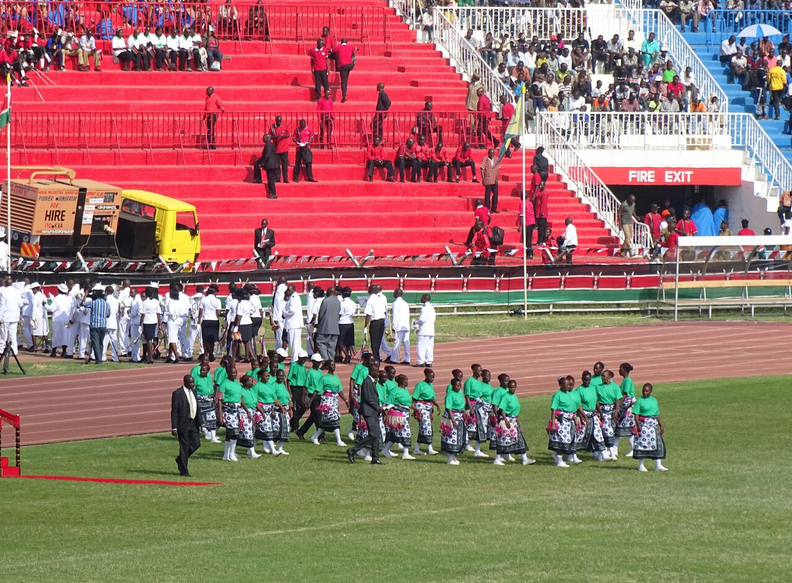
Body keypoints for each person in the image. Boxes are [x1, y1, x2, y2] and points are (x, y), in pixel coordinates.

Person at [347, 362, 383, 464]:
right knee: (373, 434)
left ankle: (375, 458)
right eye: (376, 371)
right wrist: (378, 407)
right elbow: (367, 398)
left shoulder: (372, 381)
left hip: (373, 411)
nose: (378, 373)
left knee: (376, 435)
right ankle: (353, 450)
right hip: (368, 412)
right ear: (372, 371)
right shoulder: (367, 381)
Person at [493, 380, 535, 466]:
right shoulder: (506, 396)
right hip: (507, 421)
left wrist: (518, 424)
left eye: (514, 387)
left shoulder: (514, 396)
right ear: (508, 387)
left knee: (520, 440)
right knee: (504, 441)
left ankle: (525, 459)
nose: (512, 389)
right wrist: (506, 421)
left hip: (514, 421)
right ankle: (497, 459)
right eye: (511, 387)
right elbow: (502, 409)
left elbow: (515, 412)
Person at [547, 376, 584, 468]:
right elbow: (553, 409)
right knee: (562, 441)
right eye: (566, 385)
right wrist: (553, 424)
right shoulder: (557, 395)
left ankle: (570, 456)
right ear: (561, 385)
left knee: (571, 439)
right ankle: (559, 461)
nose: (568, 386)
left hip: (570, 420)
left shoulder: (569, 394)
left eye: (569, 384)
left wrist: (577, 418)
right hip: (562, 421)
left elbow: (574, 407)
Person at [171, 374, 203, 477]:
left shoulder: (194, 392)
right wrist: (174, 427)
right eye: (190, 382)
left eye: (193, 382)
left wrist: (201, 422)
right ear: (185, 382)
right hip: (183, 424)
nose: (193, 384)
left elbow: (197, 408)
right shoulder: (177, 393)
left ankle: (181, 459)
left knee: (196, 443)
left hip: (193, 423)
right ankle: (184, 471)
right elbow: (174, 411)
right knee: (184, 447)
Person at [573, 371, 608, 461]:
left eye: (588, 380)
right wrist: (582, 416)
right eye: (585, 380)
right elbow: (578, 405)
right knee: (580, 435)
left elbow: (596, 401)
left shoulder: (593, 388)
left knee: (598, 434)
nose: (587, 382)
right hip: (584, 415)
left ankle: (603, 454)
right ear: (582, 379)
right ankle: (572, 455)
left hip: (593, 415)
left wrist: (600, 412)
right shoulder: (579, 390)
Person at [633, 383, 668, 472]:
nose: (645, 392)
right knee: (642, 445)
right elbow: (636, 415)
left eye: (647, 391)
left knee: (657, 444)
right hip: (644, 426)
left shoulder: (654, 400)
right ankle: (641, 465)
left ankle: (658, 465)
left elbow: (656, 414)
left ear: (651, 391)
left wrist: (661, 425)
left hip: (653, 426)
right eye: (643, 391)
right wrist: (638, 426)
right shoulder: (639, 401)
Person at [382, 374, 416, 460]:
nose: (407, 382)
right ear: (402, 382)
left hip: (405, 415)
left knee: (396, 434)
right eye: (406, 380)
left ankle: (386, 450)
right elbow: (388, 403)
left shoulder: (405, 390)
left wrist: (416, 409)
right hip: (397, 416)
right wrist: (385, 415)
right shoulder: (394, 391)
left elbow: (407, 403)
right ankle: (405, 453)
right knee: (405, 432)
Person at [441, 377, 467, 465]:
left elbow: (462, 406)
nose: (459, 387)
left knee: (460, 437)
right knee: (451, 437)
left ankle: (454, 456)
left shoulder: (459, 393)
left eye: (460, 385)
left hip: (459, 416)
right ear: (452, 385)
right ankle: (449, 458)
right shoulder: (450, 395)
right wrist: (453, 421)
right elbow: (448, 409)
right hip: (452, 417)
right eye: (457, 385)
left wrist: (463, 415)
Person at [192, 360, 220, 443]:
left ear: (208, 371)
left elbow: (212, 386)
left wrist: (213, 395)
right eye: (201, 370)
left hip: (209, 400)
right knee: (200, 419)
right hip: (200, 400)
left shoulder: (208, 376)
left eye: (204, 370)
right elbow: (193, 389)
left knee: (212, 418)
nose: (202, 372)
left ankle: (213, 437)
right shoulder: (197, 378)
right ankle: (201, 433)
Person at [82, 284, 110, 365]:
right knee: (101, 342)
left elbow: (83, 304)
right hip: (103, 325)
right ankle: (100, 358)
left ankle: (98, 360)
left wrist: (86, 295)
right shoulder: (106, 304)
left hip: (94, 325)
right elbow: (108, 315)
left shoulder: (93, 303)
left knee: (95, 343)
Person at [596, 370, 621, 460]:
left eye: (604, 376)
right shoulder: (598, 387)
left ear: (609, 377)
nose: (602, 378)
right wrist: (600, 412)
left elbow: (618, 399)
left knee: (610, 430)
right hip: (602, 412)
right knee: (606, 431)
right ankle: (610, 452)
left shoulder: (615, 387)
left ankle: (605, 452)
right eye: (602, 376)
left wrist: (616, 411)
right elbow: (597, 400)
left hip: (611, 411)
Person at [615, 363, 637, 457]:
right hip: (625, 407)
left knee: (628, 429)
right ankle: (614, 449)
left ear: (624, 370)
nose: (619, 370)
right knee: (617, 430)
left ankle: (634, 448)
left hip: (628, 409)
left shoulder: (627, 381)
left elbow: (625, 395)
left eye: (620, 369)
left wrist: (617, 406)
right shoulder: (625, 380)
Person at [315, 286, 340, 362]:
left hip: (325, 327)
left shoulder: (325, 301)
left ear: (328, 292)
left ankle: (325, 360)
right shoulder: (338, 302)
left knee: (320, 342)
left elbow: (321, 315)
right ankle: (331, 360)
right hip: (335, 328)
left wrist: (319, 324)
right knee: (331, 346)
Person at [364, 285, 387, 361]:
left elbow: (368, 314)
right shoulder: (380, 299)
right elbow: (384, 311)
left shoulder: (370, 300)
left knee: (374, 342)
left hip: (375, 322)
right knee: (378, 342)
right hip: (381, 321)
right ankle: (377, 357)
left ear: (370, 290)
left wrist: (365, 325)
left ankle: (376, 359)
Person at [253, 134, 279, 199]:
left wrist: (262, 163)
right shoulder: (269, 144)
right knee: (270, 179)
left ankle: (273, 193)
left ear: (267, 138)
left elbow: (267, 155)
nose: (263, 139)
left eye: (264, 137)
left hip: (271, 164)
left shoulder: (268, 145)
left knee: (271, 179)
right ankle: (272, 193)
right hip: (271, 164)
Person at [388, 289, 410, 365]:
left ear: (397, 294)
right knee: (406, 343)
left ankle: (394, 359)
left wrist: (394, 326)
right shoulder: (405, 303)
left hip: (399, 325)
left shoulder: (395, 303)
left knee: (397, 342)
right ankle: (407, 358)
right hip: (406, 325)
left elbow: (395, 316)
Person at [283, 285, 304, 361]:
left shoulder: (294, 298)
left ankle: (295, 360)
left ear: (293, 290)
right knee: (294, 343)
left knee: (294, 343)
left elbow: (292, 310)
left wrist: (284, 314)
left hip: (294, 324)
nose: (287, 291)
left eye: (289, 290)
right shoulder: (292, 297)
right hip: (292, 324)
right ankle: (296, 358)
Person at [414, 293, 435, 367]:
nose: (421, 299)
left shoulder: (425, 308)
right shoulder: (432, 307)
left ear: (425, 298)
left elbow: (422, 319)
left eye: (422, 297)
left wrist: (415, 322)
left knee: (421, 346)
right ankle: (429, 361)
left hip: (424, 330)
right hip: (431, 330)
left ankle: (420, 361)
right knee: (429, 346)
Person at [333, 38, 357, 103]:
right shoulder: (350, 47)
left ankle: (344, 96)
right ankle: (344, 90)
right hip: (350, 65)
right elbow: (356, 48)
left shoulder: (339, 47)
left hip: (343, 66)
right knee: (345, 79)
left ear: (341, 42)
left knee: (344, 82)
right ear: (347, 42)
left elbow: (332, 50)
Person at [203, 86, 225, 151]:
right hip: (208, 115)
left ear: (211, 91)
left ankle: (211, 145)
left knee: (210, 130)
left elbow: (221, 105)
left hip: (213, 115)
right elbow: (206, 108)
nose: (206, 92)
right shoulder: (207, 98)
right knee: (210, 130)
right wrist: (203, 118)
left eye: (207, 90)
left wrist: (221, 110)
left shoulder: (216, 97)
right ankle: (211, 145)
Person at [102, 285, 119, 363]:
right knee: (114, 340)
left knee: (104, 340)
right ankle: (115, 357)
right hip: (113, 323)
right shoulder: (116, 300)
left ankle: (103, 356)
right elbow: (116, 312)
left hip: (106, 322)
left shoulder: (105, 300)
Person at [480, 148, 500, 213]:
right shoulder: (485, 159)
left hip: (494, 180)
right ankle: (487, 208)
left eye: (493, 153)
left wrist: (497, 179)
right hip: (488, 179)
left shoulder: (495, 159)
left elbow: (497, 170)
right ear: (488, 153)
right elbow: (482, 169)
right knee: (487, 195)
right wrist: (483, 178)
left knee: (496, 194)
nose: (492, 155)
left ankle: (494, 208)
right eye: (491, 153)